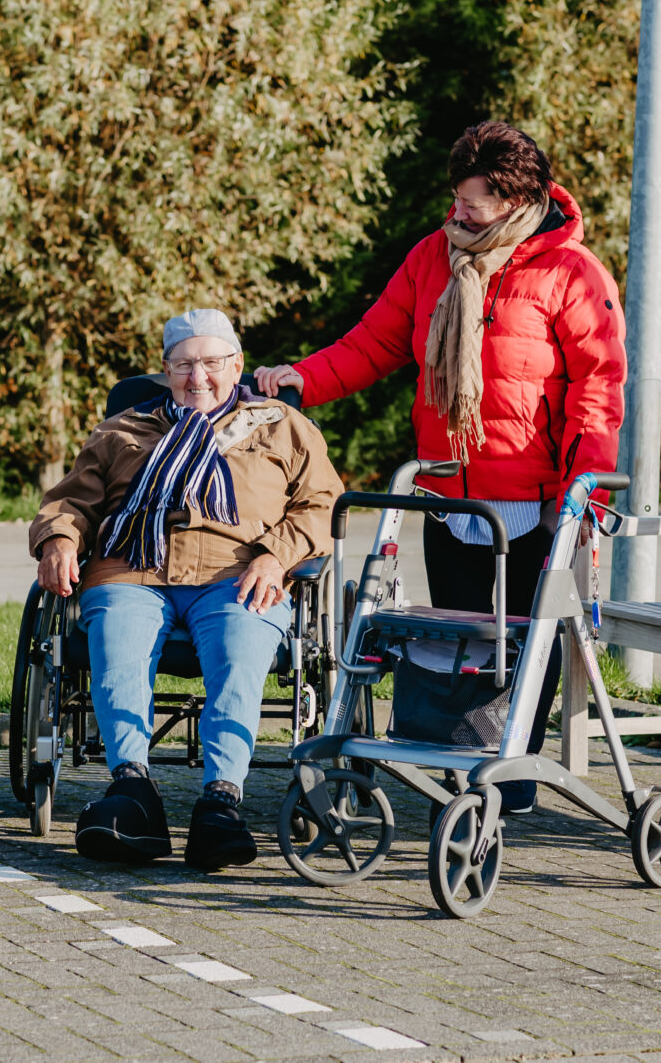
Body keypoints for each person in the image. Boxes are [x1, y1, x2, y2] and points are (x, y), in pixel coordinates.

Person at [254, 120, 623, 810]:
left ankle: (509, 776)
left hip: (536, 502)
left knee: (521, 647)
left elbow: (597, 392)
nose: (460, 214)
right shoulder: (434, 257)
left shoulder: (572, 273)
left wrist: (583, 492)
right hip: (451, 497)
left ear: (517, 201)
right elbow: (372, 342)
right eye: (457, 199)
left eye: (474, 204)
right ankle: (460, 770)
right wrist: (301, 378)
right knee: (455, 644)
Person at [31, 309, 342, 870]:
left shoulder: (281, 425)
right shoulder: (123, 429)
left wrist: (278, 555)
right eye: (184, 365)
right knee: (118, 644)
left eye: (211, 363)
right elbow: (71, 500)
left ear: (237, 365)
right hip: (134, 570)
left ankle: (222, 800)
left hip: (237, 571)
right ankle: (132, 790)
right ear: (167, 370)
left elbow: (321, 506)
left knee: (240, 649)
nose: (198, 377)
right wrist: (58, 538)